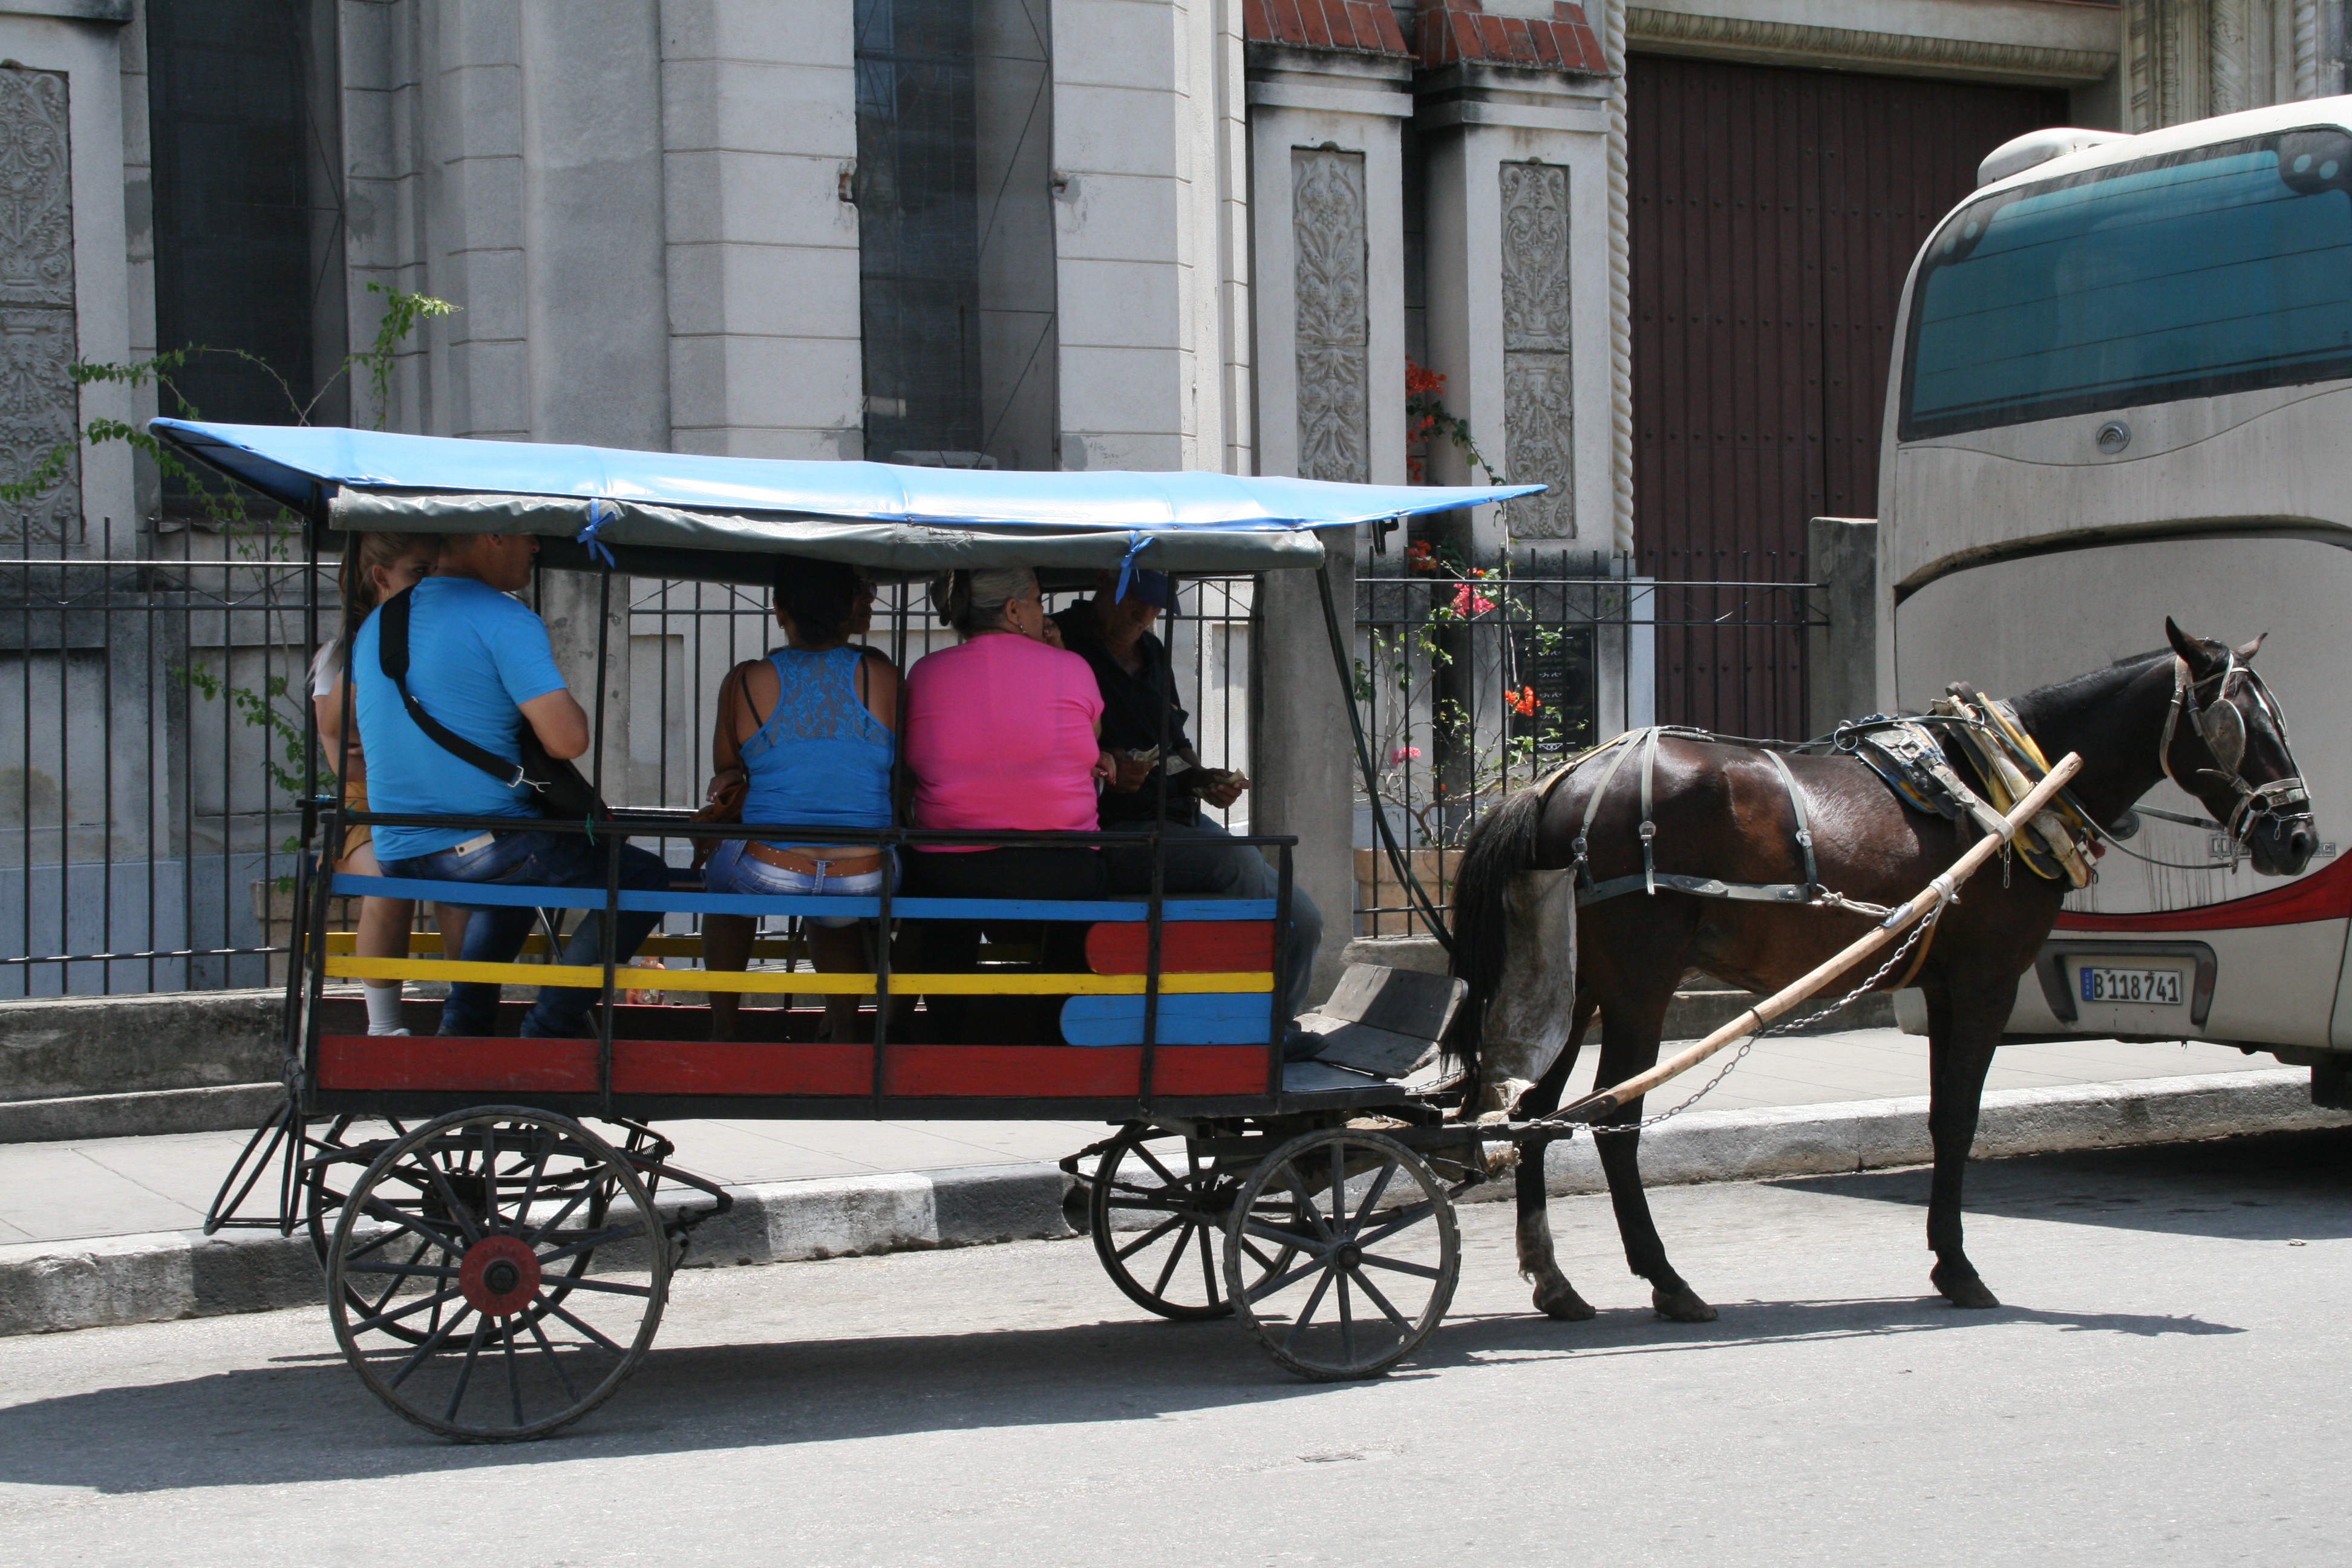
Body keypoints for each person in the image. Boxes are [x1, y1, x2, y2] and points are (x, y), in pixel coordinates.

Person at [350, 529, 670, 1038]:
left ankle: (465, 1028)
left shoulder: (378, 624)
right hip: (480, 850)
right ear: (493, 536)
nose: (538, 547)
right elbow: (568, 741)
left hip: (397, 849)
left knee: (518, 872)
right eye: (530, 535)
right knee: (645, 877)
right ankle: (551, 1023)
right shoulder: (503, 617)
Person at [1051, 567, 1324, 1038]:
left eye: (1156, 608)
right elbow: (1043, 741)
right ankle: (1234, 1024)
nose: (1144, 616)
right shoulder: (1060, 642)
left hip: (1176, 818)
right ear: (1102, 584)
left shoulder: (1152, 652)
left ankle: (1273, 1029)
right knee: (1236, 863)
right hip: (1105, 831)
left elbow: (1174, 742)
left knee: (1302, 914)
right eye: (1134, 601)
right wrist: (1103, 767)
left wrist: (1202, 780)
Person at [903, 567, 1115, 1035]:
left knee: (939, 908)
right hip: (1063, 867)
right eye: (1038, 601)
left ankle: (947, 1033)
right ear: (1015, 610)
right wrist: (1058, 655)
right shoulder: (1072, 667)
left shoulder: (926, 672)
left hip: (950, 867)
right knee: (1085, 901)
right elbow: (1091, 742)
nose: (1044, 612)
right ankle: (1057, 1031)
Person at [701, 558, 899, 1042]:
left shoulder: (745, 680)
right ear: (851, 609)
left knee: (724, 895)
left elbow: (726, 768)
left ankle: (724, 1029)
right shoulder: (882, 676)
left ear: (780, 611)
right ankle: (845, 1033)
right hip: (867, 875)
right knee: (832, 907)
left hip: (770, 868)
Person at [311, 532, 470, 1036]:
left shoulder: (445, 639)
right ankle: (383, 1026)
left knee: (462, 886)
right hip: (370, 805)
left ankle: (465, 1019)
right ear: (381, 578)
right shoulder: (344, 652)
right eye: (418, 573)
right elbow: (345, 759)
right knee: (388, 880)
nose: (431, 585)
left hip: (439, 798)